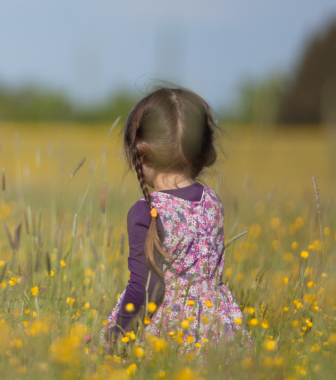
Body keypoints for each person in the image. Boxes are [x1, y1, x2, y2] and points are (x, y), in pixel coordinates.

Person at [101, 86, 246, 350]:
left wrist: (117, 334)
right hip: (220, 332)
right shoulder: (212, 201)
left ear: (141, 154)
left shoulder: (147, 211)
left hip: (171, 337)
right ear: (203, 152)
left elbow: (147, 289)